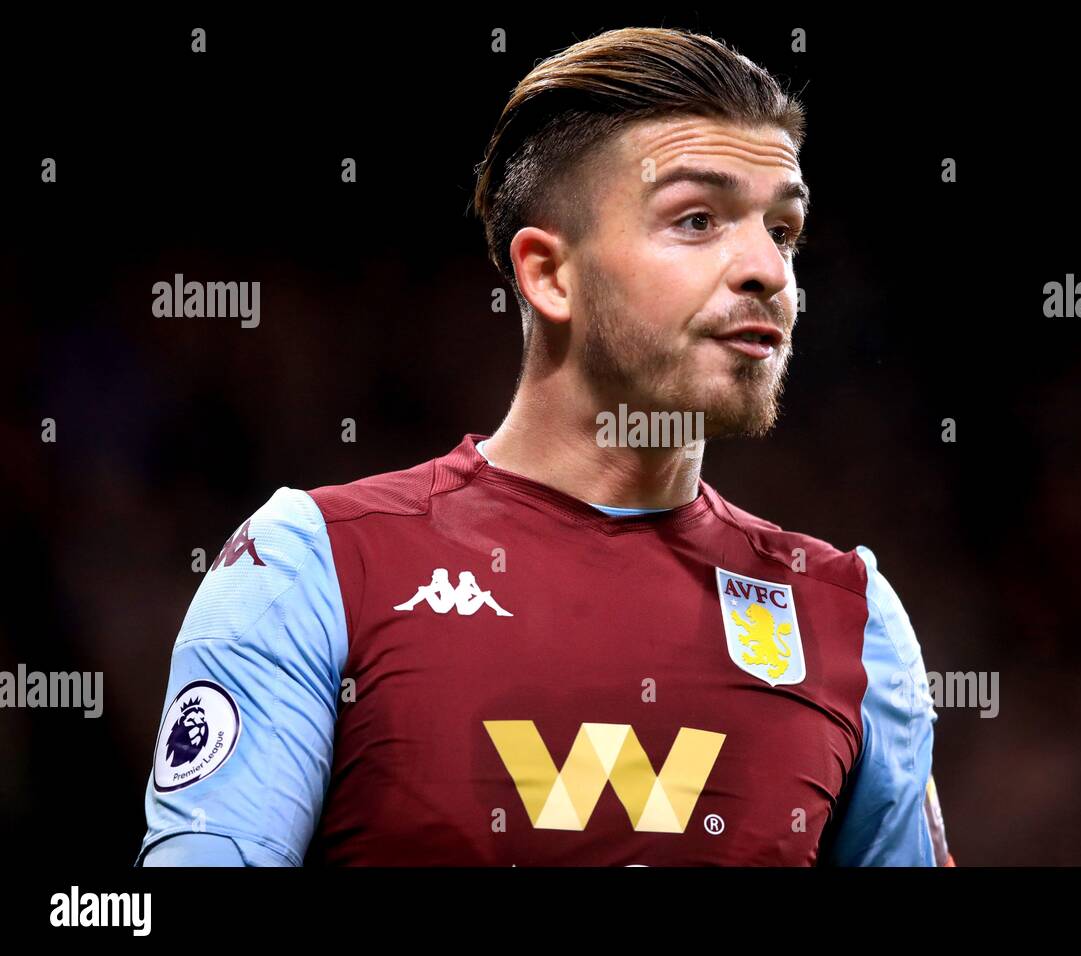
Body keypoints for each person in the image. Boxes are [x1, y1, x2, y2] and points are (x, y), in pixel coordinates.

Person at [136, 26, 953, 867]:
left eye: (782, 231)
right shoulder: (314, 568)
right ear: (550, 275)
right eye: (698, 220)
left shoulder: (851, 619)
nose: (767, 271)